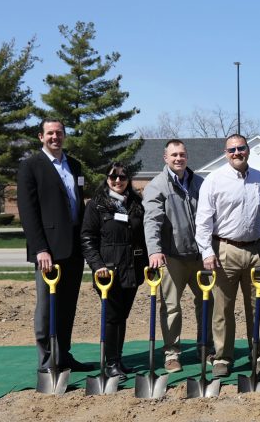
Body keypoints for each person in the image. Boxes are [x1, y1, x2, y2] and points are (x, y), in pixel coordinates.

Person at [17, 119, 93, 373]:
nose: (55, 137)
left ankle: (63, 355)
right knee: (47, 308)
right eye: (50, 133)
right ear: (41, 136)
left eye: (59, 133)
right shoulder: (30, 167)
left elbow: (78, 205)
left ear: (64, 136)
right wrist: (40, 248)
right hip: (47, 250)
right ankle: (47, 362)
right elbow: (28, 212)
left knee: (67, 305)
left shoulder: (74, 165)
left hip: (73, 247)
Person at [195, 134, 260, 378]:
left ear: (248, 150)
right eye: (232, 150)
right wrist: (207, 251)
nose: (237, 153)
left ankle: (258, 354)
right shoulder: (214, 180)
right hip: (224, 249)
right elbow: (203, 221)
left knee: (259, 306)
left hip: (257, 250)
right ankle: (222, 357)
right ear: (226, 153)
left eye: (241, 148)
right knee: (222, 308)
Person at [143, 139, 213, 373]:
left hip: (200, 256)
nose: (178, 158)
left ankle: (206, 348)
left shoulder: (200, 183)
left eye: (182, 154)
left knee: (206, 303)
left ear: (187, 157)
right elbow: (152, 220)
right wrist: (154, 250)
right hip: (173, 258)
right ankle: (172, 353)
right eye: (173, 155)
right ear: (165, 158)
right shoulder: (157, 186)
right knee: (171, 307)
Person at [80, 162, 147, 381]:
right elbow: (88, 237)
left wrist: (147, 263)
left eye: (122, 177)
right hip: (107, 272)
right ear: (107, 179)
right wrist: (97, 265)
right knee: (112, 316)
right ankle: (110, 364)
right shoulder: (97, 205)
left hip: (132, 270)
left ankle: (118, 359)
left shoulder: (136, 203)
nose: (117, 181)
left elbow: (143, 237)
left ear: (129, 179)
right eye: (113, 177)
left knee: (122, 316)